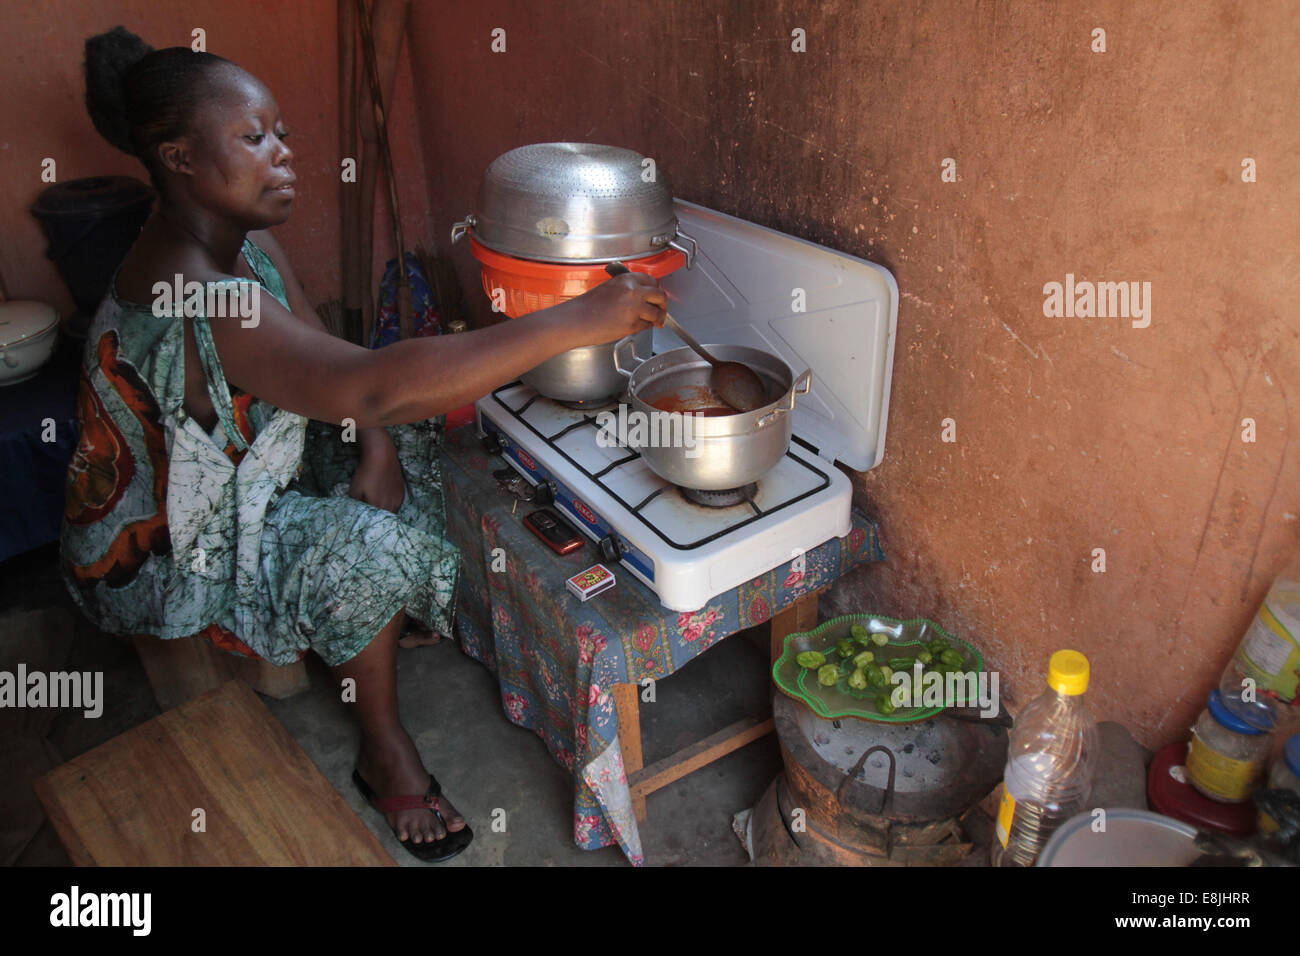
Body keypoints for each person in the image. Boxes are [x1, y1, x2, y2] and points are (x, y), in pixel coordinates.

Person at [64, 26, 666, 862]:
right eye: (253, 138)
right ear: (180, 158)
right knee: (366, 546)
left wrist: (376, 450)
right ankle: (387, 758)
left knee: (417, 441)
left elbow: (340, 366)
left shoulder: (244, 238)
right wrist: (576, 318)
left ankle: (379, 618)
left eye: (281, 131)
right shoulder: (188, 286)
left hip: (253, 462)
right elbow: (368, 384)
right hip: (175, 541)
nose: (283, 154)